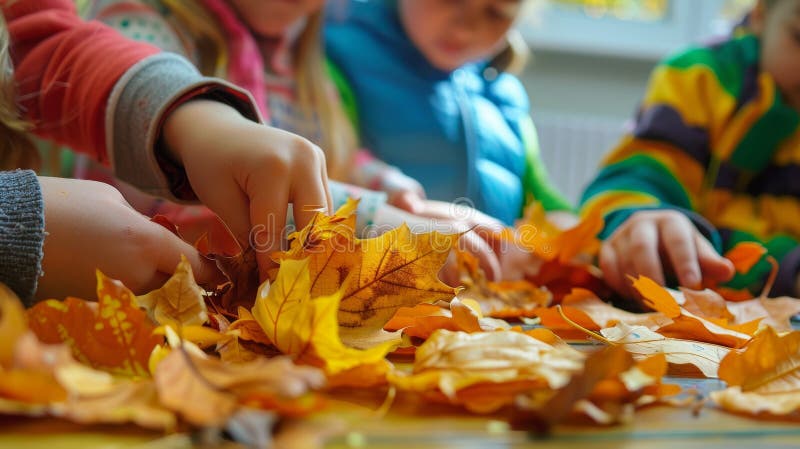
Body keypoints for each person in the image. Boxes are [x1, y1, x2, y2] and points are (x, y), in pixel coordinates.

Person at [83, 0, 508, 280]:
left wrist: (393, 190)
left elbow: (333, 155)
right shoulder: (138, 27)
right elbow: (185, 209)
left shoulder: (301, 55)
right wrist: (376, 221)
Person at [1, 0, 333, 304]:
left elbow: (34, 41)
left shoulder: (298, 54)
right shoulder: (142, 18)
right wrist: (17, 224)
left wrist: (193, 118)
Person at [579, 0, 800, 300]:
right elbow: (638, 174)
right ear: (760, 15)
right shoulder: (698, 76)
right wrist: (638, 217)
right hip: (670, 292)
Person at [325, 0, 573, 227]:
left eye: (497, 13)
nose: (465, 29)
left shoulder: (504, 96)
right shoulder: (335, 61)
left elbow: (538, 198)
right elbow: (331, 176)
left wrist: (569, 230)